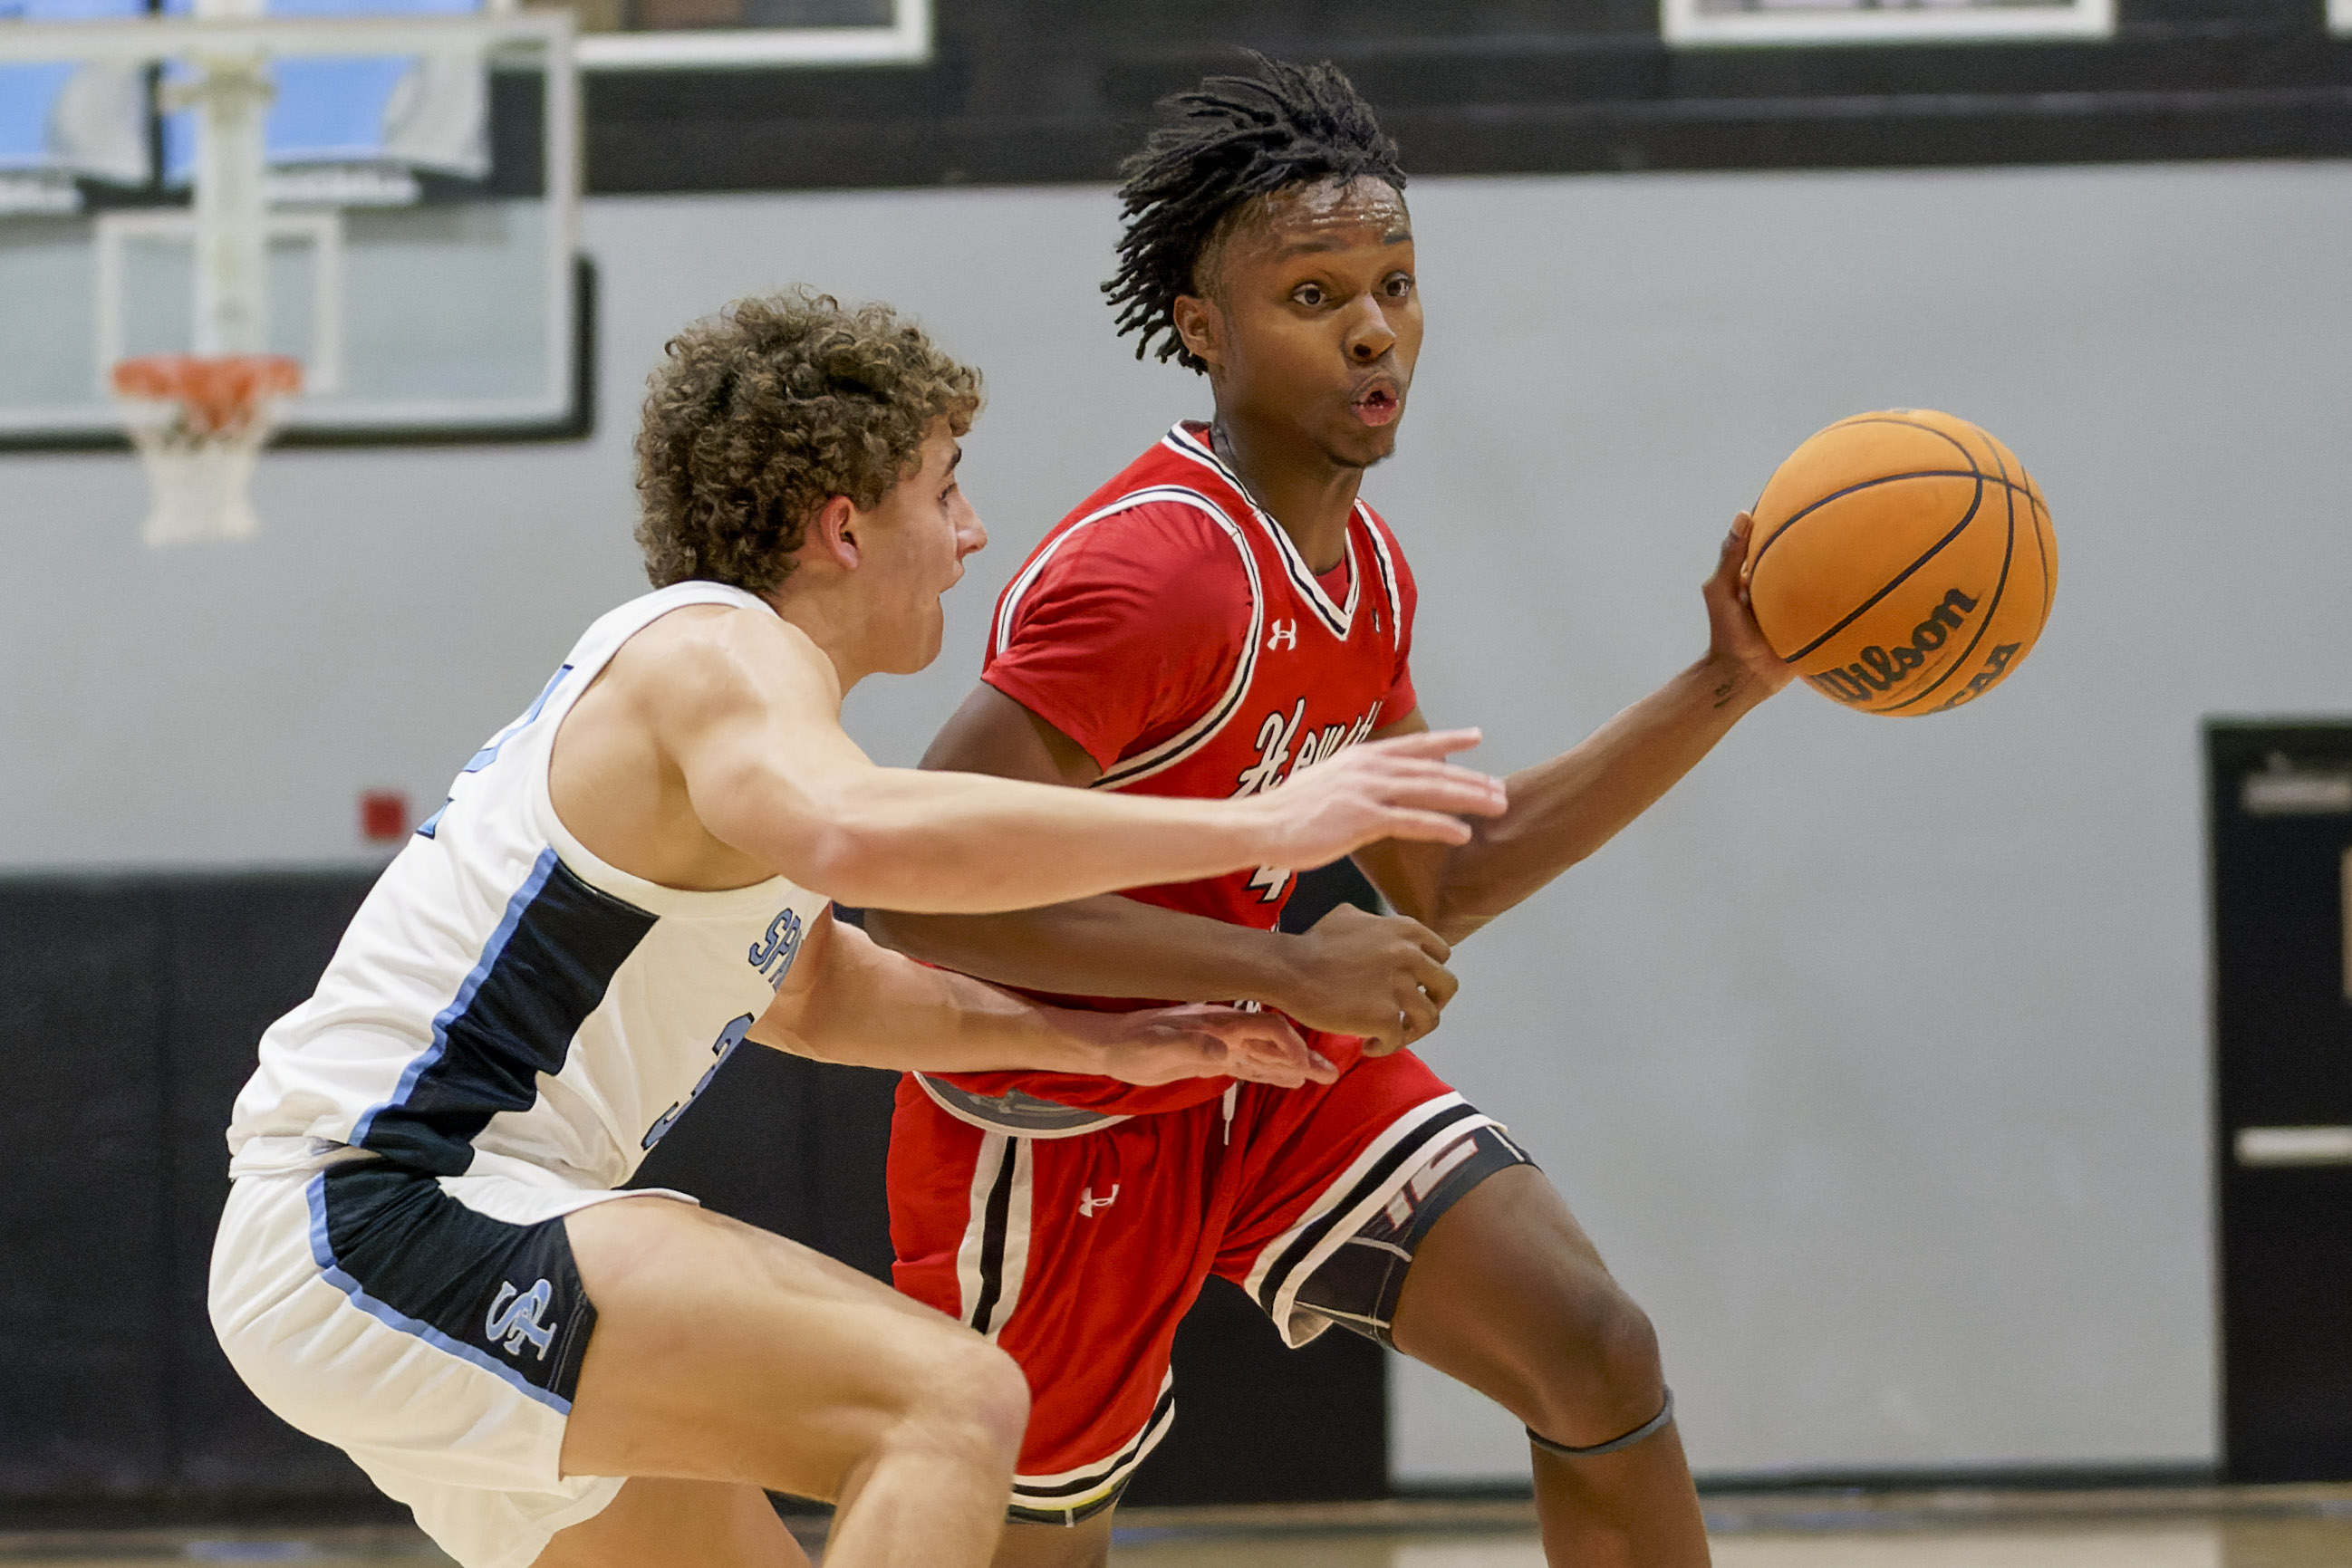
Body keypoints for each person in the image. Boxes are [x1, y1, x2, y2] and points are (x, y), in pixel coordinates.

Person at [206, 290, 1508, 1568]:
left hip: (438, 1231)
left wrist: (1121, 1044)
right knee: (950, 1403)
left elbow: (820, 994)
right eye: (944, 491)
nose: (973, 531)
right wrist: (1262, 828)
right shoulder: (719, 653)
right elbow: (862, 838)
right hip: (387, 1207)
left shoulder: (750, 736)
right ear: (843, 525)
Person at [863, 61, 1798, 1568]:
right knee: (1033, 1541)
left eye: (1396, 283)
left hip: (1245, 1069)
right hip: (1053, 1107)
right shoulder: (1155, 574)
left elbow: (1443, 879)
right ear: (1204, 329)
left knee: (1592, 1347)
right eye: (1314, 295)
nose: (1374, 327)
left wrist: (1726, 682)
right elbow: (911, 887)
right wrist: (1288, 969)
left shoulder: (1361, 573)